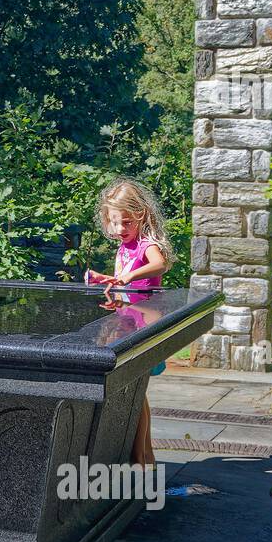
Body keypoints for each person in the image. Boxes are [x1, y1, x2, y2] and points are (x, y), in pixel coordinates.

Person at [86, 177, 175, 467]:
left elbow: (160, 263)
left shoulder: (145, 244)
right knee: (136, 390)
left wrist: (129, 277)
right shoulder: (124, 247)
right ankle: (142, 454)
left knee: (137, 390)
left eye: (127, 222)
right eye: (115, 223)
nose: (120, 229)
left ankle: (143, 456)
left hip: (145, 326)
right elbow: (124, 285)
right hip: (128, 323)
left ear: (141, 216)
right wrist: (107, 281)